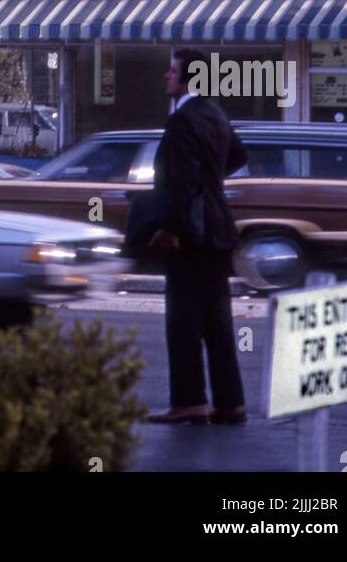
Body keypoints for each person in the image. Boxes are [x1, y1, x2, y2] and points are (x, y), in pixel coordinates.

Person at [146, 47, 249, 426]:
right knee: (218, 322)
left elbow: (183, 181)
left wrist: (170, 228)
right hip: (219, 230)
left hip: (192, 234)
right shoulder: (216, 113)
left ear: (188, 78)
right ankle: (231, 404)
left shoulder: (183, 120)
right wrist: (213, 180)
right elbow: (239, 154)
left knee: (183, 321)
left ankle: (190, 401)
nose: (166, 77)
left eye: (172, 71)